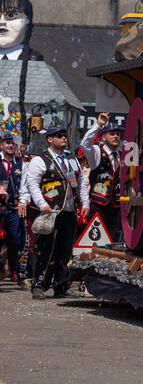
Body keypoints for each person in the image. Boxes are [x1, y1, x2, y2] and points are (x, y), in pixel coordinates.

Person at [20, 125, 89, 299]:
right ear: (50, 139)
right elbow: (32, 184)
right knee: (44, 248)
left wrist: (86, 202)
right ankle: (38, 285)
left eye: (64, 135)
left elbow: (81, 182)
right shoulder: (40, 160)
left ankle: (61, 285)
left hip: (69, 211)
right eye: (59, 136)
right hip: (49, 211)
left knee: (65, 250)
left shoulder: (72, 159)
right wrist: (42, 204)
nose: (63, 138)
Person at [78, 112, 122, 242]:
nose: (116, 136)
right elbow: (85, 144)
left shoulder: (121, 155)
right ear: (103, 137)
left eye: (118, 134)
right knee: (94, 241)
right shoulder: (97, 152)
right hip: (99, 204)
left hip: (115, 206)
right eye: (112, 134)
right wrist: (98, 125)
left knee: (112, 241)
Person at [0, 135, 26, 285]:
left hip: (14, 208)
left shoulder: (21, 163)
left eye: (12, 143)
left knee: (15, 240)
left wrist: (23, 201)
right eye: (7, 143)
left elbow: (25, 184)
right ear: (2, 145)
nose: (10, 145)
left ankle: (14, 269)